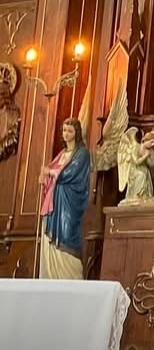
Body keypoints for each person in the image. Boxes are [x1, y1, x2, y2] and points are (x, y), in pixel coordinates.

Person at [38, 117, 91, 279]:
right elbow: (52, 176)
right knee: (49, 236)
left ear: (76, 133)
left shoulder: (82, 153)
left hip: (69, 203)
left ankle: (69, 277)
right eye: (64, 130)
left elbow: (70, 173)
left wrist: (50, 172)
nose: (66, 134)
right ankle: (51, 277)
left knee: (67, 233)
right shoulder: (61, 154)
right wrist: (44, 178)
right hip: (54, 201)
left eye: (70, 131)